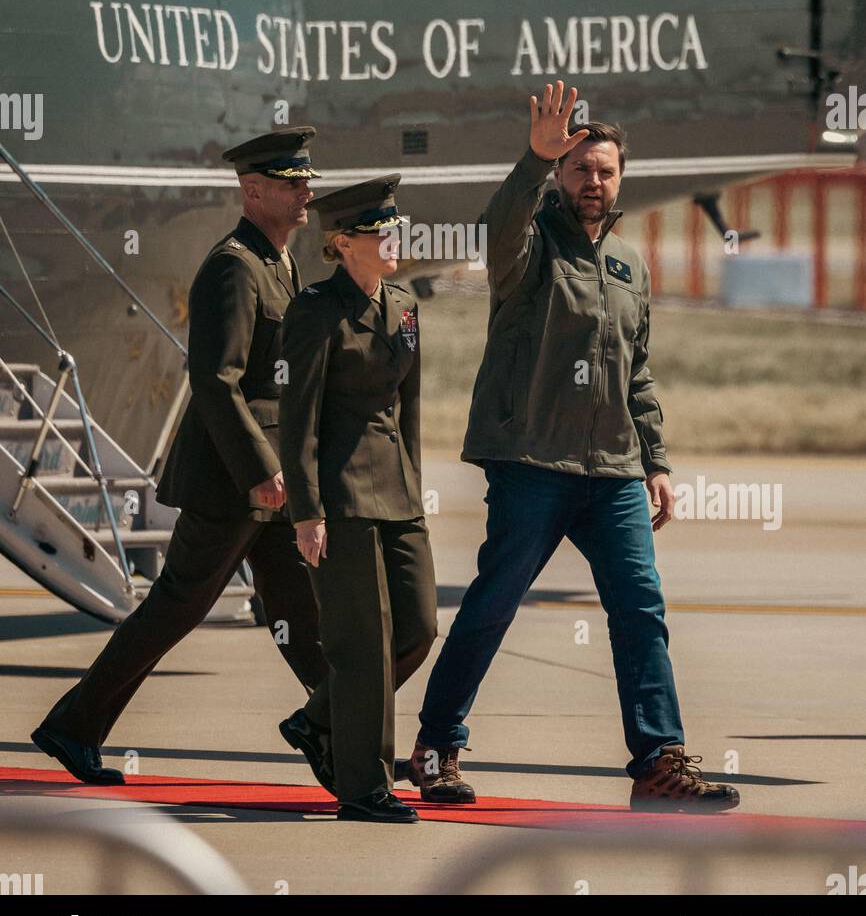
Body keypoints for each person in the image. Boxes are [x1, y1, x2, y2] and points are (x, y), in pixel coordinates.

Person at [400, 82, 740, 813]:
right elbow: (497, 228)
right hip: (531, 461)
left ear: (622, 179)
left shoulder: (628, 264)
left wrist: (656, 459)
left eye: (606, 171)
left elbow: (636, 369)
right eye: (580, 169)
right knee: (493, 603)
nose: (594, 182)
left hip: (613, 468)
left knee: (641, 607)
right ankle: (436, 746)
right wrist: (532, 157)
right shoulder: (526, 246)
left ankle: (659, 758)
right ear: (561, 175)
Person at [32, 129, 329, 785]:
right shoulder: (233, 266)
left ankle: (340, 735)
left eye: (307, 179)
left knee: (296, 613)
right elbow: (216, 379)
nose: (306, 190)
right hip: (234, 480)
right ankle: (72, 726)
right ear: (254, 191)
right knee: (177, 605)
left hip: (269, 477)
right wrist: (260, 467)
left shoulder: (280, 261)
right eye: (291, 181)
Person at [278, 176, 437, 824]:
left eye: (397, 227)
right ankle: (364, 787)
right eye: (382, 232)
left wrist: (416, 488)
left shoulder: (403, 307)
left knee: (419, 626)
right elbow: (298, 418)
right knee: (363, 645)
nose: (396, 239)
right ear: (344, 243)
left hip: (396, 491)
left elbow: (412, 409)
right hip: (340, 497)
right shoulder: (314, 310)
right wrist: (306, 511)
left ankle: (318, 722)